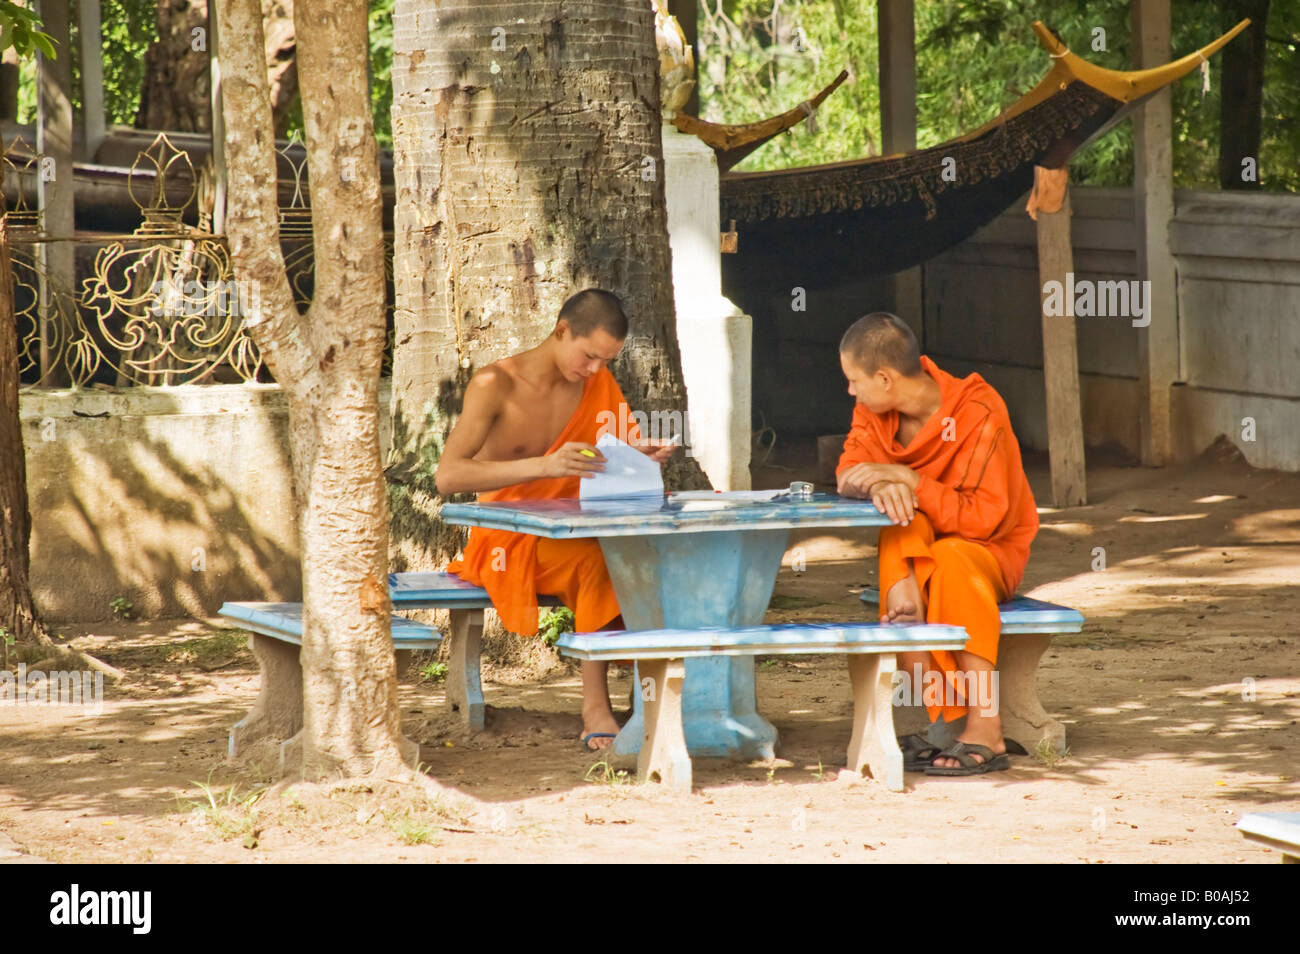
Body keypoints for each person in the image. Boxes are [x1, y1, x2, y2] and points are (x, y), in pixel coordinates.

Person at [435, 289, 675, 750]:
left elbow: (609, 458)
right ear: (562, 330)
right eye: (589, 357)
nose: (595, 371)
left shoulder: (595, 385)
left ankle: (668, 698)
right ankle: (594, 706)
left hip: (577, 527)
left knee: (644, 555)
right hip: (507, 537)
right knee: (598, 562)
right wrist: (544, 466)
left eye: (606, 361)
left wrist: (638, 454)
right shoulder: (494, 385)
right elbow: (449, 476)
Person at [835, 312, 1039, 775]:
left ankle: (986, 725)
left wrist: (911, 479)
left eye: (854, 381)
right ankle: (948, 721)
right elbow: (849, 468)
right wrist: (877, 485)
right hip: (918, 552)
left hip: (988, 552)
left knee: (949, 557)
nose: (850, 391)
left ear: (884, 379)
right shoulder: (874, 410)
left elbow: (983, 520)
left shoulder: (978, 411)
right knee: (900, 521)